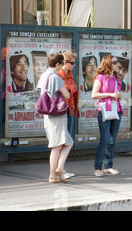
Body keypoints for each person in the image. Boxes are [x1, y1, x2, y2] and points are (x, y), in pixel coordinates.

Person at [36, 52, 72, 183]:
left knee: (66, 142)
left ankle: (59, 170)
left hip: (48, 115)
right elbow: (66, 95)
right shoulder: (55, 77)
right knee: (58, 146)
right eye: (61, 64)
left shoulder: (44, 75)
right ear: (57, 64)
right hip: (57, 115)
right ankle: (54, 173)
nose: (62, 66)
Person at [91, 55, 123, 177]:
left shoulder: (116, 78)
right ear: (108, 64)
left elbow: (119, 95)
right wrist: (109, 94)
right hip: (104, 111)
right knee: (104, 140)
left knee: (112, 140)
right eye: (114, 62)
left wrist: (119, 96)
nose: (117, 64)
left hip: (116, 110)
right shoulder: (100, 77)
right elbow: (94, 95)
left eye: (117, 62)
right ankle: (97, 168)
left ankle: (109, 166)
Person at [57, 51, 79, 180]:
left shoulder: (70, 75)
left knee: (66, 140)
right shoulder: (59, 75)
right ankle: (59, 169)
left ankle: (61, 168)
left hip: (70, 109)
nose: (74, 65)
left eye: (74, 63)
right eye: (71, 63)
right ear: (64, 63)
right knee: (62, 141)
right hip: (61, 111)